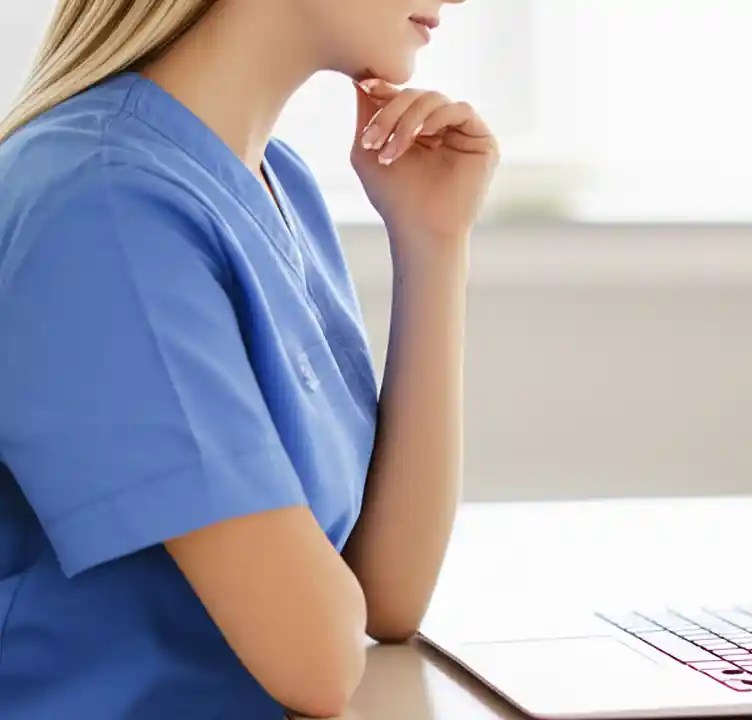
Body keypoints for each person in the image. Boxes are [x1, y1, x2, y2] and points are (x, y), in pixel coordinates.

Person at [0, 0, 496, 717]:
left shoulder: (272, 179)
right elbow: (317, 662)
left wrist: (435, 244)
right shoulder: (101, 203)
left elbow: (384, 599)